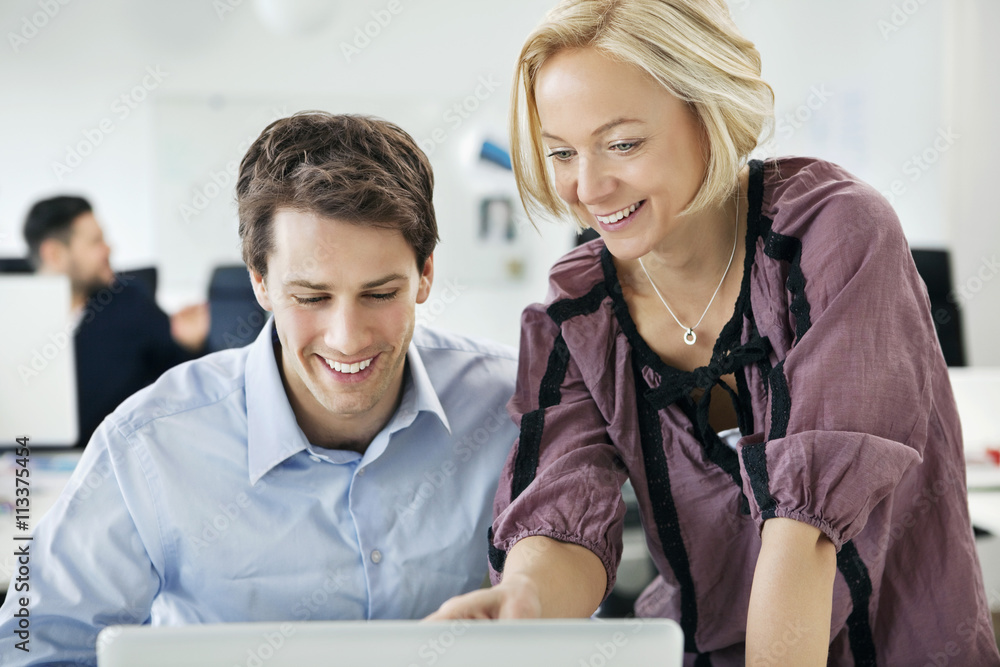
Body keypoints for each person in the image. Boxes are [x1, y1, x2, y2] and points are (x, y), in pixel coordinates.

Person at [428, 1, 1000, 665]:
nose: (588, 186)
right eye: (561, 152)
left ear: (710, 113)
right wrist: (525, 600)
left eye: (623, 143)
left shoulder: (833, 234)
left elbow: (804, 535)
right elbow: (564, 505)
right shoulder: (580, 312)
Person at [0, 112, 518, 663]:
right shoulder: (148, 445)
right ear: (260, 282)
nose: (346, 340)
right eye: (311, 298)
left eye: (380, 293)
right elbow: (31, 644)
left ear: (426, 273)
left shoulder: (512, 404)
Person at [22, 196, 208, 447]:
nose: (108, 249)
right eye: (95, 242)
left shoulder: (129, 301)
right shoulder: (13, 313)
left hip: (103, 463)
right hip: (21, 462)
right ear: (54, 254)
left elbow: (187, 383)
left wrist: (189, 345)